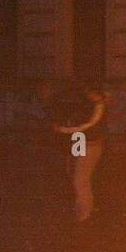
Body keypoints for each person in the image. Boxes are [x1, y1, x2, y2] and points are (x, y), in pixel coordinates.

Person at [44, 80, 106, 223]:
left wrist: (62, 129)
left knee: (80, 179)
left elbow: (87, 125)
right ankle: (82, 208)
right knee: (74, 174)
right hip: (79, 142)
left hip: (90, 146)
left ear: (96, 93)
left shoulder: (99, 107)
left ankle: (84, 213)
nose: (87, 95)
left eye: (89, 92)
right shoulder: (89, 104)